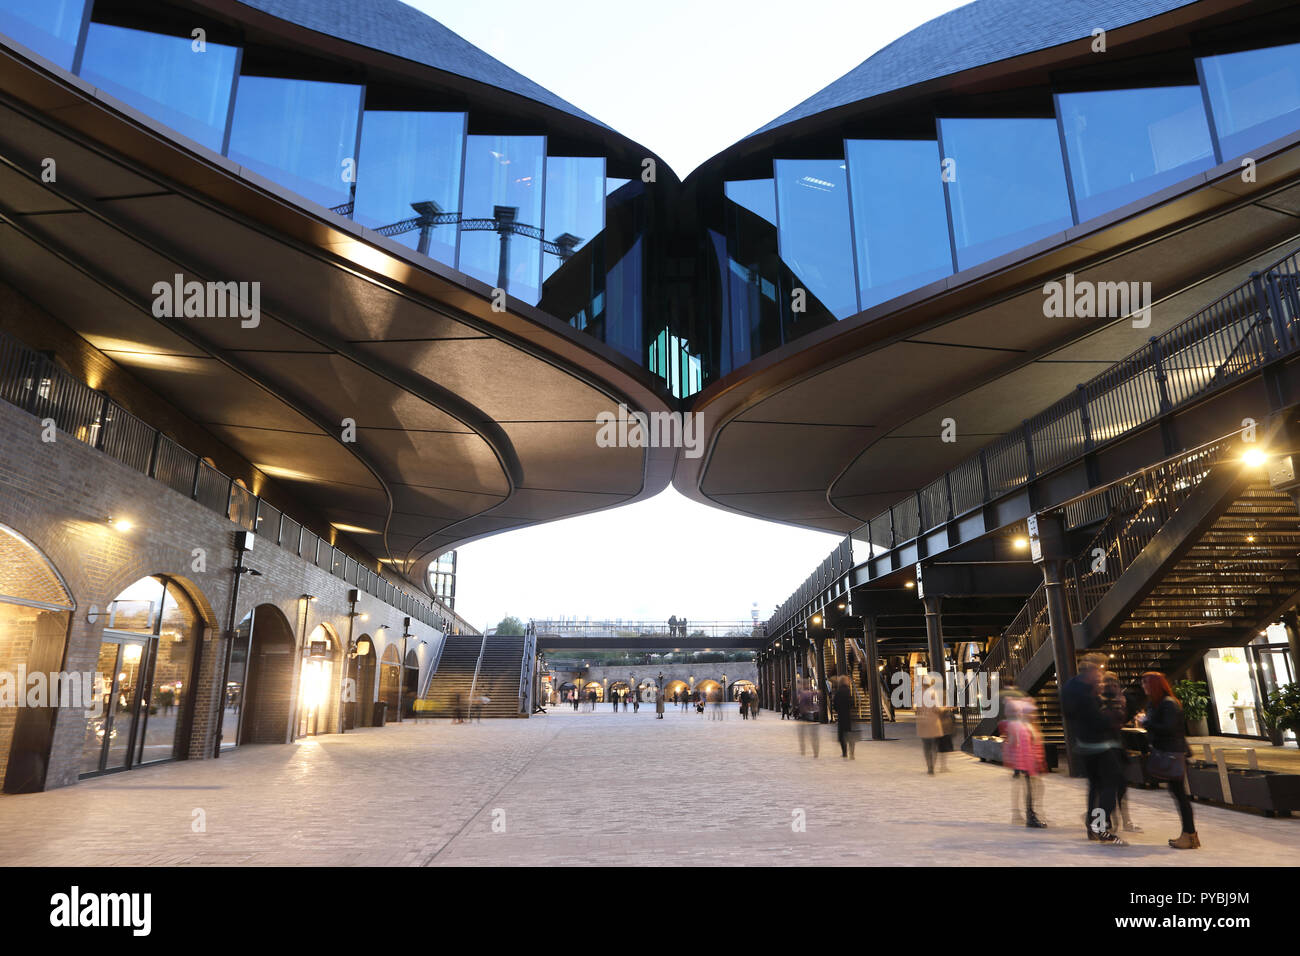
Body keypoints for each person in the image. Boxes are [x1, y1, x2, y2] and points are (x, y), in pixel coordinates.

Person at [1062, 654, 1126, 845]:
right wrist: (1113, 717)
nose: (1100, 676)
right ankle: (1100, 826)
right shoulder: (1086, 694)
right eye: (1097, 672)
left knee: (1095, 786)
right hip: (1098, 744)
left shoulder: (1070, 688)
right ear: (1089, 672)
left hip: (1084, 743)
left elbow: (1069, 712)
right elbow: (1097, 720)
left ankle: (1093, 826)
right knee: (1110, 784)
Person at [1140, 671, 1198, 850]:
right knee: (1178, 794)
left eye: (1146, 683)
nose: (1144, 687)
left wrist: (1146, 723)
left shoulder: (1168, 704)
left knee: (1180, 795)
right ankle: (1189, 835)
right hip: (1169, 752)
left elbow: (1169, 728)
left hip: (1173, 754)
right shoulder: (1156, 703)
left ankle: (1189, 835)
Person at [1101, 670, 1142, 833]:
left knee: (1121, 787)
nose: (1111, 685)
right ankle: (1106, 820)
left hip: (1118, 746)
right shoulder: (1100, 701)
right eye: (1108, 682)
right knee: (1106, 788)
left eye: (1114, 683)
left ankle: (1126, 820)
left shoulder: (1123, 700)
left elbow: (1127, 715)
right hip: (1104, 748)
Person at [1000, 693, 1047, 827]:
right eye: (1031, 713)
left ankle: (1030, 814)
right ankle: (1030, 816)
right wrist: (1030, 767)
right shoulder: (1022, 728)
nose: (1034, 715)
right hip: (1027, 766)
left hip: (1029, 765)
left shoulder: (1027, 727)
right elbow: (1024, 751)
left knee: (1032, 789)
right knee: (1030, 790)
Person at [915, 675, 945, 774]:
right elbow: (937, 708)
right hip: (933, 723)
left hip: (923, 723)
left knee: (926, 746)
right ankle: (932, 766)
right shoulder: (933, 693)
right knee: (934, 746)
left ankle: (929, 765)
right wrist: (944, 708)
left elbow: (915, 708)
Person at [833, 675, 856, 759]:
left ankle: (844, 752)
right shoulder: (848, 691)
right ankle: (852, 753)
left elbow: (834, 705)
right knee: (850, 734)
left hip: (841, 716)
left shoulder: (838, 692)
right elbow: (852, 704)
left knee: (842, 735)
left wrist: (838, 710)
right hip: (849, 716)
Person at [796, 681, 819, 757]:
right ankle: (815, 752)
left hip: (804, 716)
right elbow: (817, 693)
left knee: (803, 735)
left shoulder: (803, 694)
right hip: (810, 715)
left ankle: (803, 750)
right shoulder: (809, 693)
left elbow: (800, 705)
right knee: (813, 735)